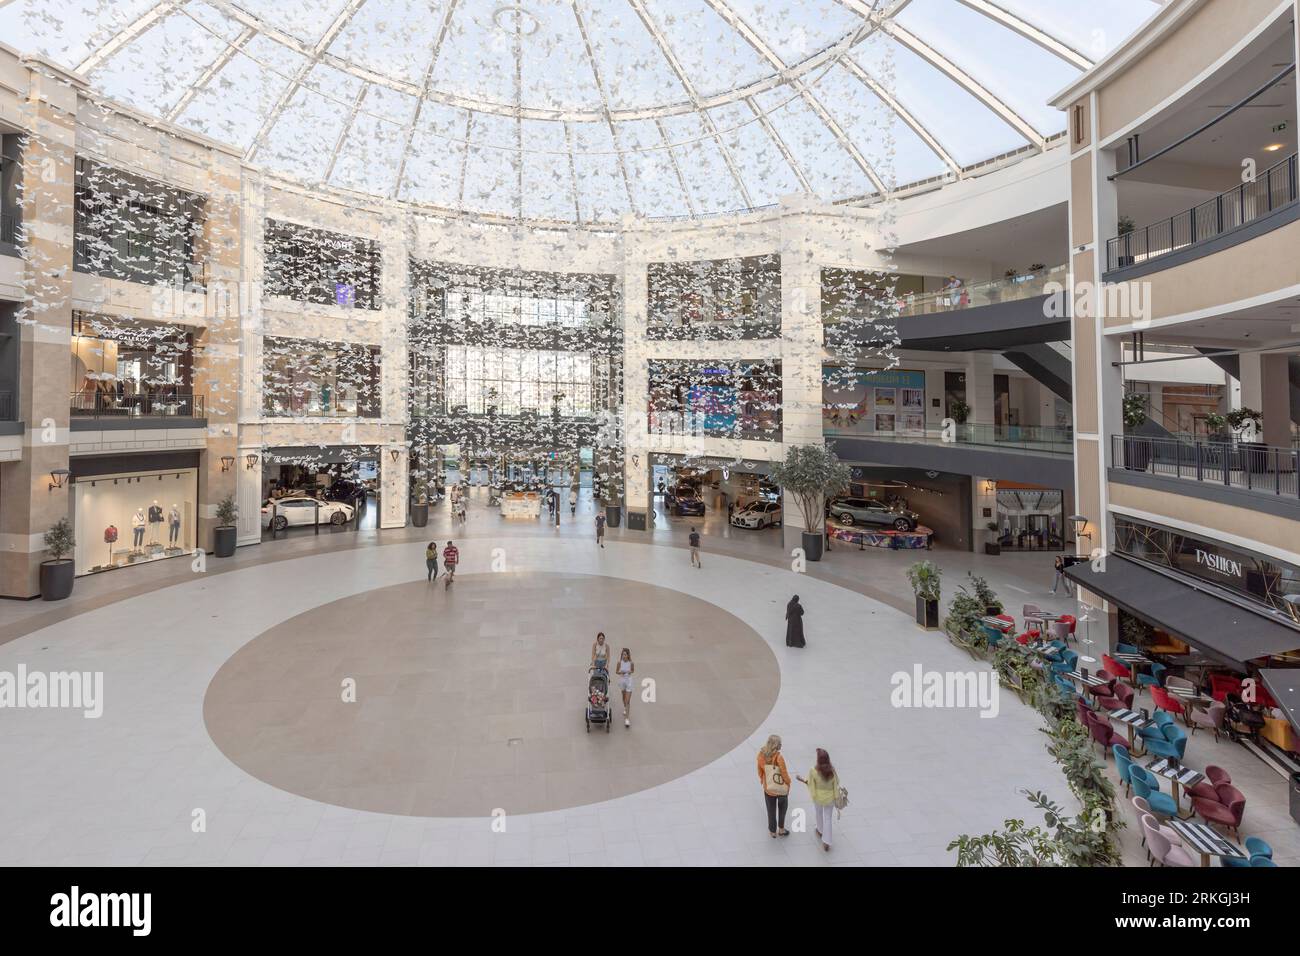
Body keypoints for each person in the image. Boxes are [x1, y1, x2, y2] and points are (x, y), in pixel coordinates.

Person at [797, 749, 841, 852]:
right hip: (830, 798)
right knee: (828, 818)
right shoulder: (832, 771)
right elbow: (836, 783)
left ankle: (820, 830)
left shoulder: (813, 770)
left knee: (818, 813)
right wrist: (836, 797)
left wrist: (804, 781)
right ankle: (827, 841)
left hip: (818, 797)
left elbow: (811, 784)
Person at [756, 734, 791, 838]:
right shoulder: (779, 757)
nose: (781, 745)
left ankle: (772, 831)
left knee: (771, 810)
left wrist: (763, 780)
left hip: (769, 788)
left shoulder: (761, 755)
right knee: (782, 809)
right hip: (781, 789)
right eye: (780, 744)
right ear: (776, 745)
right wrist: (789, 782)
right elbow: (784, 774)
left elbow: (760, 771)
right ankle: (781, 829)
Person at [615, 647, 634, 728]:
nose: (624, 656)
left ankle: (627, 719)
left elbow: (633, 670)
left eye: (625, 654)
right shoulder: (619, 662)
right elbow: (616, 672)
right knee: (623, 698)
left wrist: (630, 672)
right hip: (622, 681)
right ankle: (625, 707)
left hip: (629, 681)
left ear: (628, 655)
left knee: (627, 700)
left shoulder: (631, 663)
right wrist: (621, 672)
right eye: (623, 654)